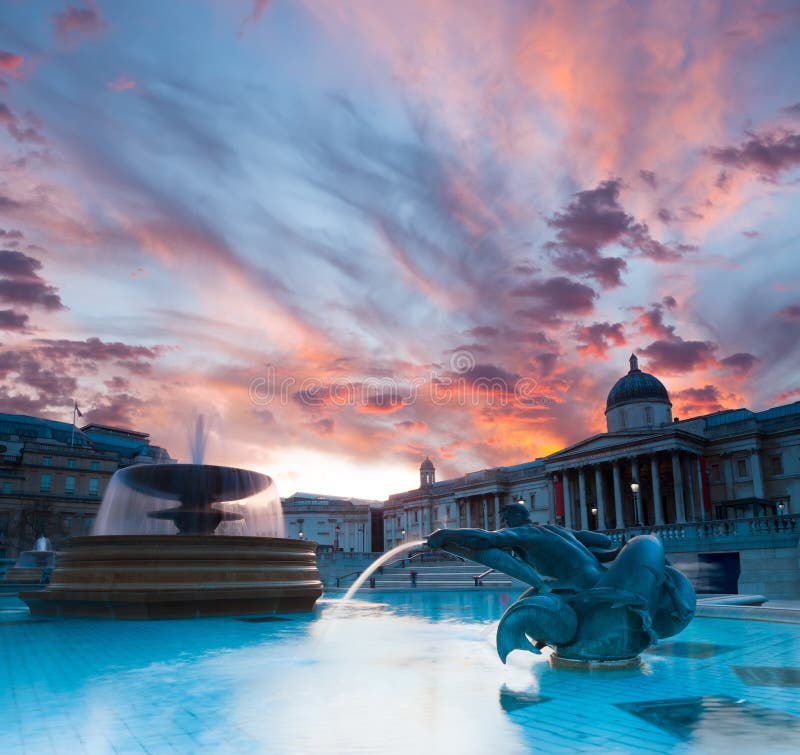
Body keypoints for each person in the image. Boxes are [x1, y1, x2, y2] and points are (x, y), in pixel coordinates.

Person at [426, 503, 619, 594]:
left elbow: (485, 539)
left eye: (507, 517)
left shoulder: (522, 534)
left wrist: (446, 534)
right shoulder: (557, 529)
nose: (505, 522)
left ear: (519, 516)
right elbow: (602, 540)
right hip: (605, 578)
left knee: (530, 599)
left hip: (581, 586)